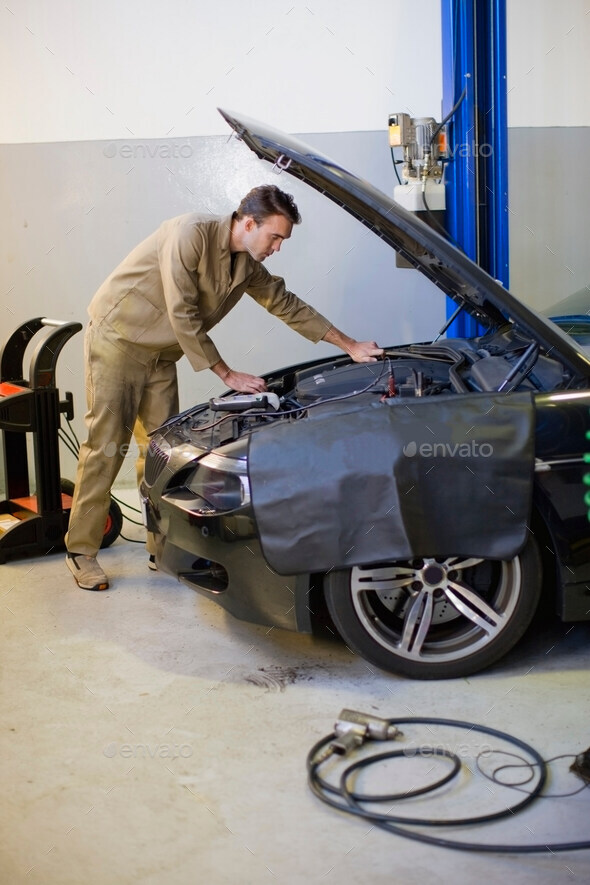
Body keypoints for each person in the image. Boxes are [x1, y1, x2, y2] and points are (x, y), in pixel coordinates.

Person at [65, 184, 383, 591]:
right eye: (275, 237)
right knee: (106, 446)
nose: (278, 247)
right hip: (118, 339)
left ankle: (160, 547)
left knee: (163, 452)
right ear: (248, 223)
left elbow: (285, 303)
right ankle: (81, 550)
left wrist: (349, 345)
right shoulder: (188, 234)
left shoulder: (246, 263)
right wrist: (225, 373)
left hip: (162, 352)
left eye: (283, 240)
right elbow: (182, 311)